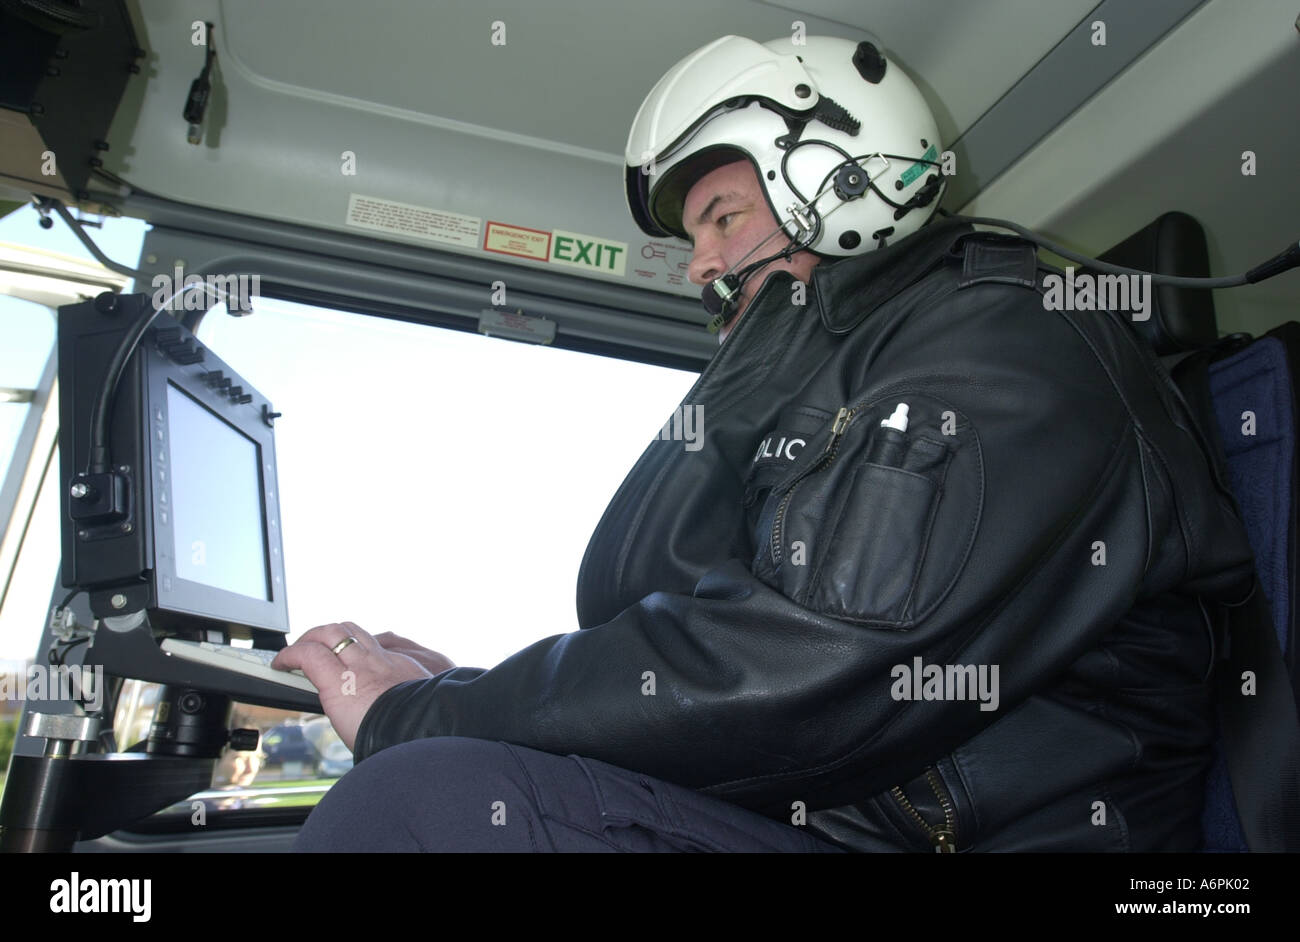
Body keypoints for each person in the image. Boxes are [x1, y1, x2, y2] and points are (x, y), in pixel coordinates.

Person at [275, 35, 1256, 852]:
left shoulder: (1003, 340)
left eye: (721, 218)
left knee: (427, 803)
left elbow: (806, 668)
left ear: (842, 184)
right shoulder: (857, 361)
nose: (697, 262)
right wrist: (472, 694)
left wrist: (422, 715)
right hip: (857, 815)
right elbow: (696, 628)